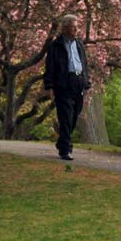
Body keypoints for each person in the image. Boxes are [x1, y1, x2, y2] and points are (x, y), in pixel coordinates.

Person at [43, 14, 91, 161]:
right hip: (64, 83)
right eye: (72, 26)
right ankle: (66, 149)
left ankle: (61, 142)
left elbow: (84, 63)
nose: (76, 29)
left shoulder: (79, 44)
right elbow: (50, 66)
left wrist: (86, 81)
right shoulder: (56, 45)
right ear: (64, 28)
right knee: (66, 118)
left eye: (77, 26)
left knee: (74, 117)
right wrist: (49, 85)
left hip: (78, 82)